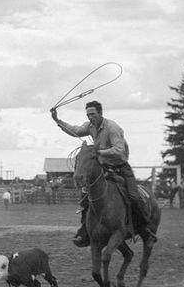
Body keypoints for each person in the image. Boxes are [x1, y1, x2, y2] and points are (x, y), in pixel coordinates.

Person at [50, 100, 157, 246]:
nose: (90, 117)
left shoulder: (113, 128)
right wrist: (57, 120)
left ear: (100, 113)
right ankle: (84, 230)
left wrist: (99, 152)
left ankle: (144, 228)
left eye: (92, 114)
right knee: (85, 198)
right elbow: (75, 131)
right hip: (103, 167)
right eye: (88, 115)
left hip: (120, 167)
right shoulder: (90, 126)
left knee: (133, 196)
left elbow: (119, 150)